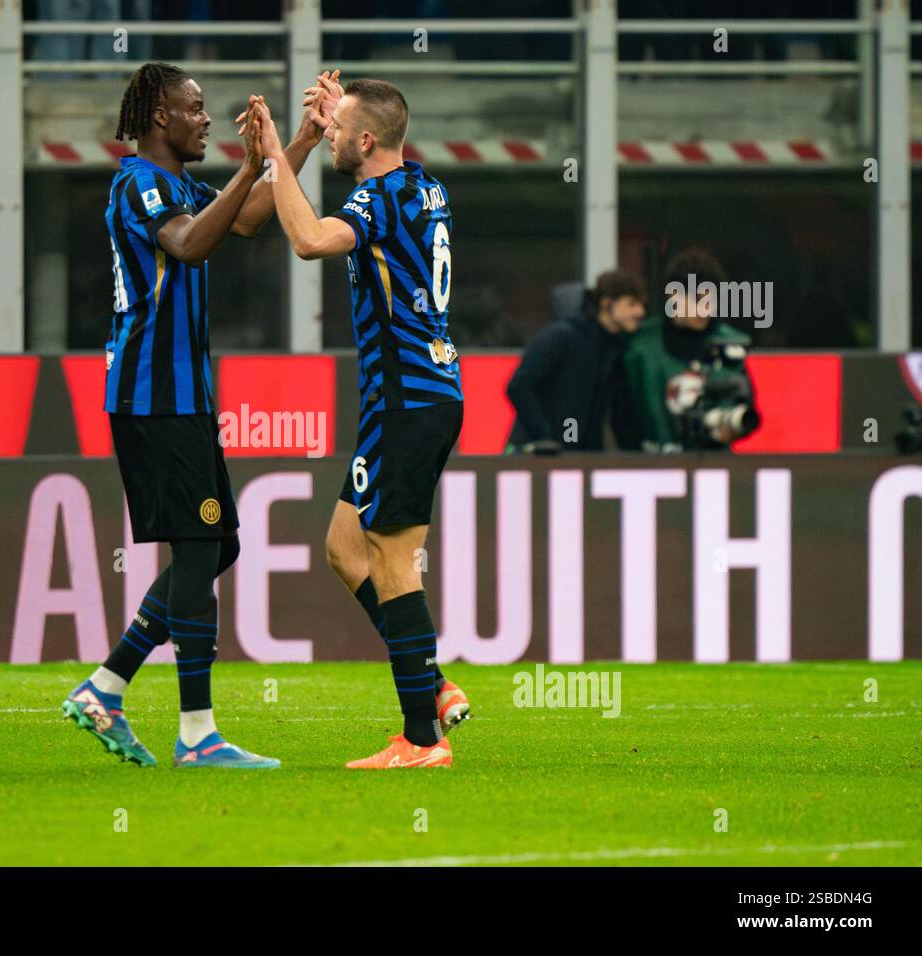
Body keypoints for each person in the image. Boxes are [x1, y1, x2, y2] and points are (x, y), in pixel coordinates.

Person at [61, 62, 327, 770]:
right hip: (154, 395)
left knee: (217, 546)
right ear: (160, 118)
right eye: (195, 108)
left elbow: (241, 220)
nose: (206, 118)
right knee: (200, 545)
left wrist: (296, 142)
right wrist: (250, 164)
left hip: (183, 397)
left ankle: (109, 685)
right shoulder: (138, 181)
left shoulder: (178, 184)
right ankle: (196, 735)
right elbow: (188, 243)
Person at [251, 74, 467, 770]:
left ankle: (422, 742)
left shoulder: (374, 198)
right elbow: (378, 139)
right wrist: (331, 117)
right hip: (413, 395)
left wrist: (276, 157)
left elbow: (310, 240)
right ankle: (431, 686)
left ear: (367, 141)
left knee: (394, 560)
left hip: (409, 397)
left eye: (342, 128)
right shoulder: (425, 187)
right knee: (346, 548)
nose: (332, 133)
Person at [611, 247, 760, 452]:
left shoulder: (730, 345)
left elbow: (745, 411)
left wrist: (727, 429)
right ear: (674, 295)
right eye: (699, 299)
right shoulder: (637, 348)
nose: (707, 309)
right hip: (649, 470)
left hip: (713, 470)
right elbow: (620, 420)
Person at [504, 269, 646, 453]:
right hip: (535, 458)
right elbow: (519, 386)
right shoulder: (563, 336)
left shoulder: (616, 349)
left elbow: (618, 412)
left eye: (641, 305)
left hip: (580, 461)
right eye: (632, 304)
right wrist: (545, 438)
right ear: (606, 303)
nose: (640, 312)